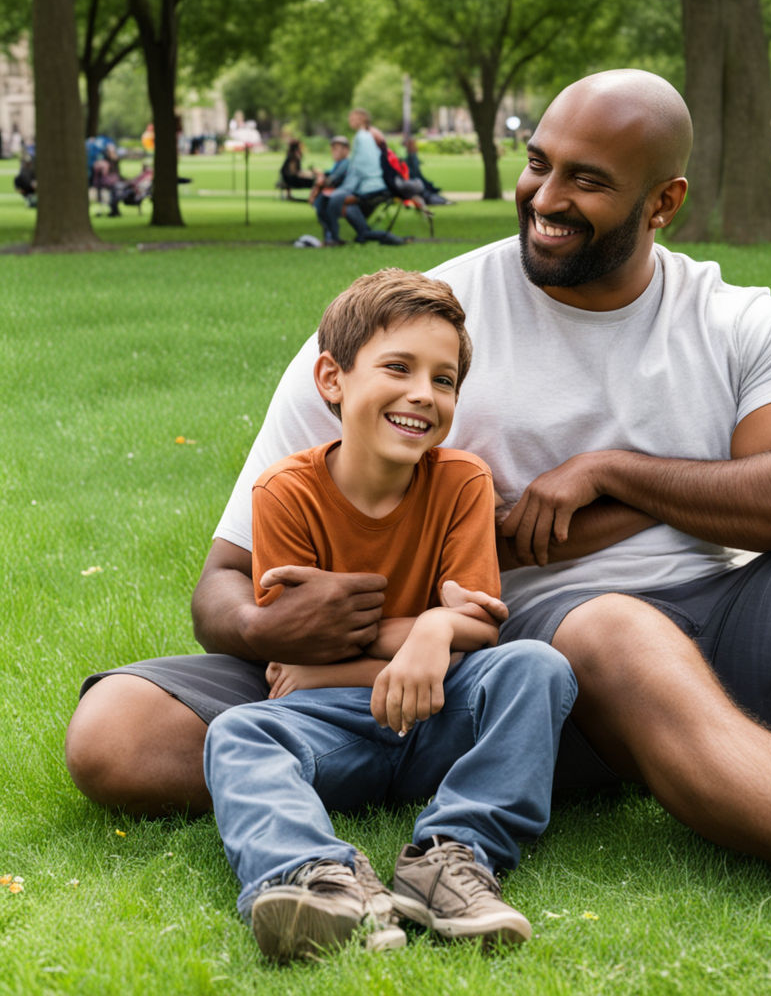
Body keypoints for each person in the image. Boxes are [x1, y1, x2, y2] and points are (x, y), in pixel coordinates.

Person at [67, 69, 771, 986]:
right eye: (540, 163)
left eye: (588, 180)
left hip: (737, 621)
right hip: (515, 666)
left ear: (663, 203)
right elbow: (224, 584)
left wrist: (618, 478)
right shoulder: (415, 332)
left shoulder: (741, 322)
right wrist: (272, 631)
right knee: (118, 734)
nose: (546, 196)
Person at [203, 268, 576, 960]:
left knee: (536, 665)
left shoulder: (463, 481)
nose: (422, 394)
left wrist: (440, 630)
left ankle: (452, 857)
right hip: (337, 724)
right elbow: (294, 659)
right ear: (332, 379)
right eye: (398, 368)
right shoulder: (285, 493)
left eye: (444, 380)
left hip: (438, 715)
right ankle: (321, 879)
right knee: (237, 731)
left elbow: (480, 629)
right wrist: (426, 632)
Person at [329, 108, 404, 246]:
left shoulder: (361, 137)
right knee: (349, 207)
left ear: (362, 119)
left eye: (352, 118)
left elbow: (360, 167)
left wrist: (345, 186)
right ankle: (363, 234)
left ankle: (334, 237)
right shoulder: (367, 136)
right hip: (374, 185)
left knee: (335, 201)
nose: (349, 121)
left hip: (369, 188)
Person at [310, 136, 350, 246]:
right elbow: (330, 174)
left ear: (346, 150)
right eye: (332, 149)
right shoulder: (339, 163)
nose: (333, 152)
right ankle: (330, 237)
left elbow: (333, 179)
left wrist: (322, 179)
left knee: (324, 209)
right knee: (322, 209)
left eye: (336, 148)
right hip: (332, 193)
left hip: (338, 193)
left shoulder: (345, 162)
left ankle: (332, 237)